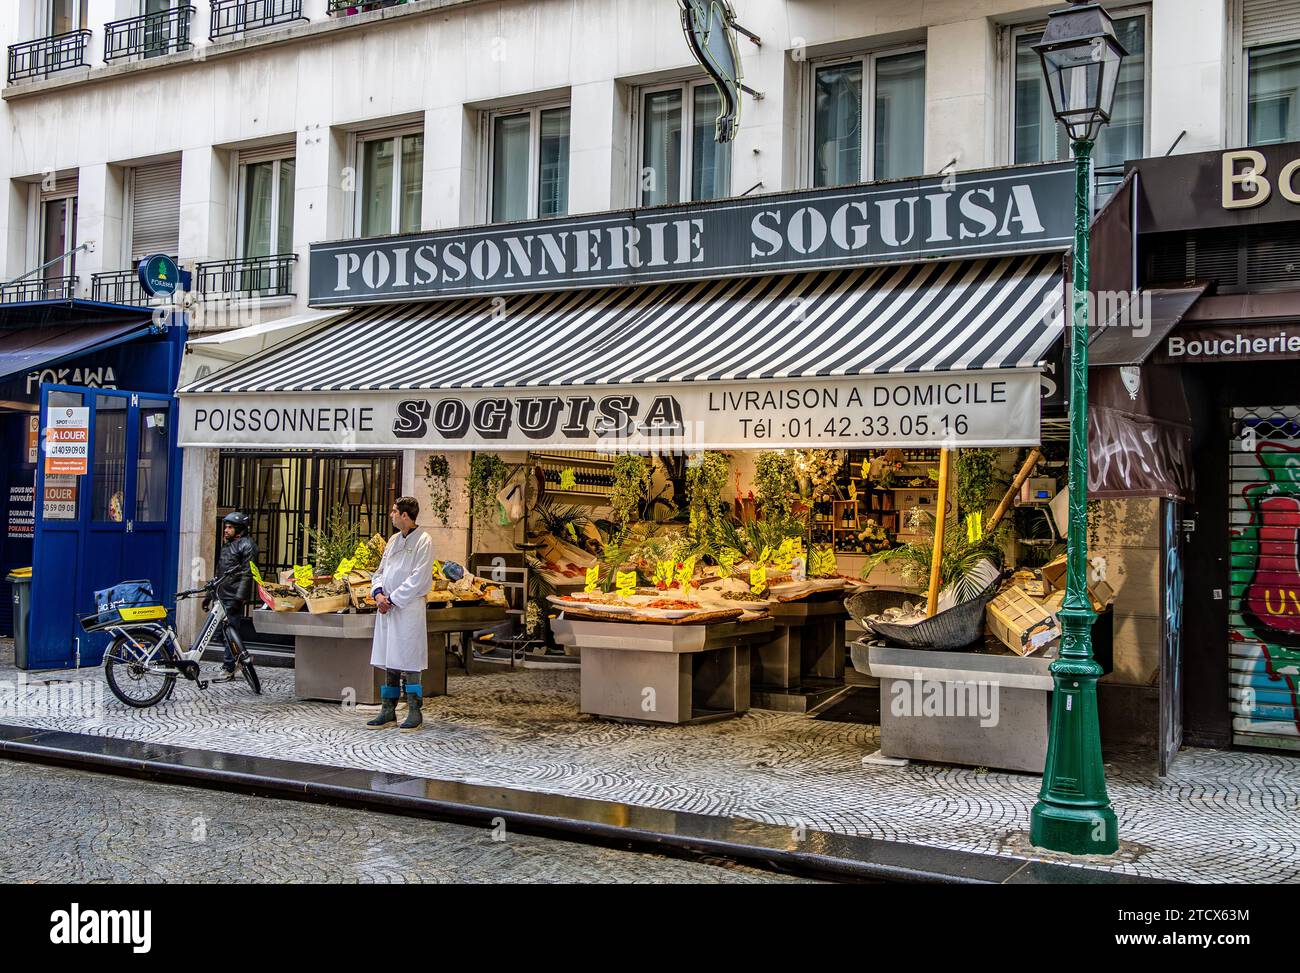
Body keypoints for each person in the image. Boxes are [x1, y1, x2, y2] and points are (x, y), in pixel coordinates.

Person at [367, 496, 434, 731]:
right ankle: (388, 709)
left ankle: (415, 710)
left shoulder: (424, 541)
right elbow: (380, 571)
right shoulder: (393, 540)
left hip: (408, 609)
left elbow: (419, 578)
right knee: (390, 659)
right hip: (387, 608)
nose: (391, 515)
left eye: (394, 511)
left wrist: (393, 600)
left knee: (410, 660)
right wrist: (378, 594)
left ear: (405, 515)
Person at [208, 511, 258, 679]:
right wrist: (210, 594)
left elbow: (247, 573)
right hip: (220, 596)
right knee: (217, 633)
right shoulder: (227, 544)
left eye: (230, 527)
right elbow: (220, 570)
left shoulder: (247, 545)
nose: (226, 530)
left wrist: (239, 597)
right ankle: (242, 656)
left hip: (232, 596)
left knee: (229, 632)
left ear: (240, 529)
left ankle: (229, 667)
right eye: (226, 527)